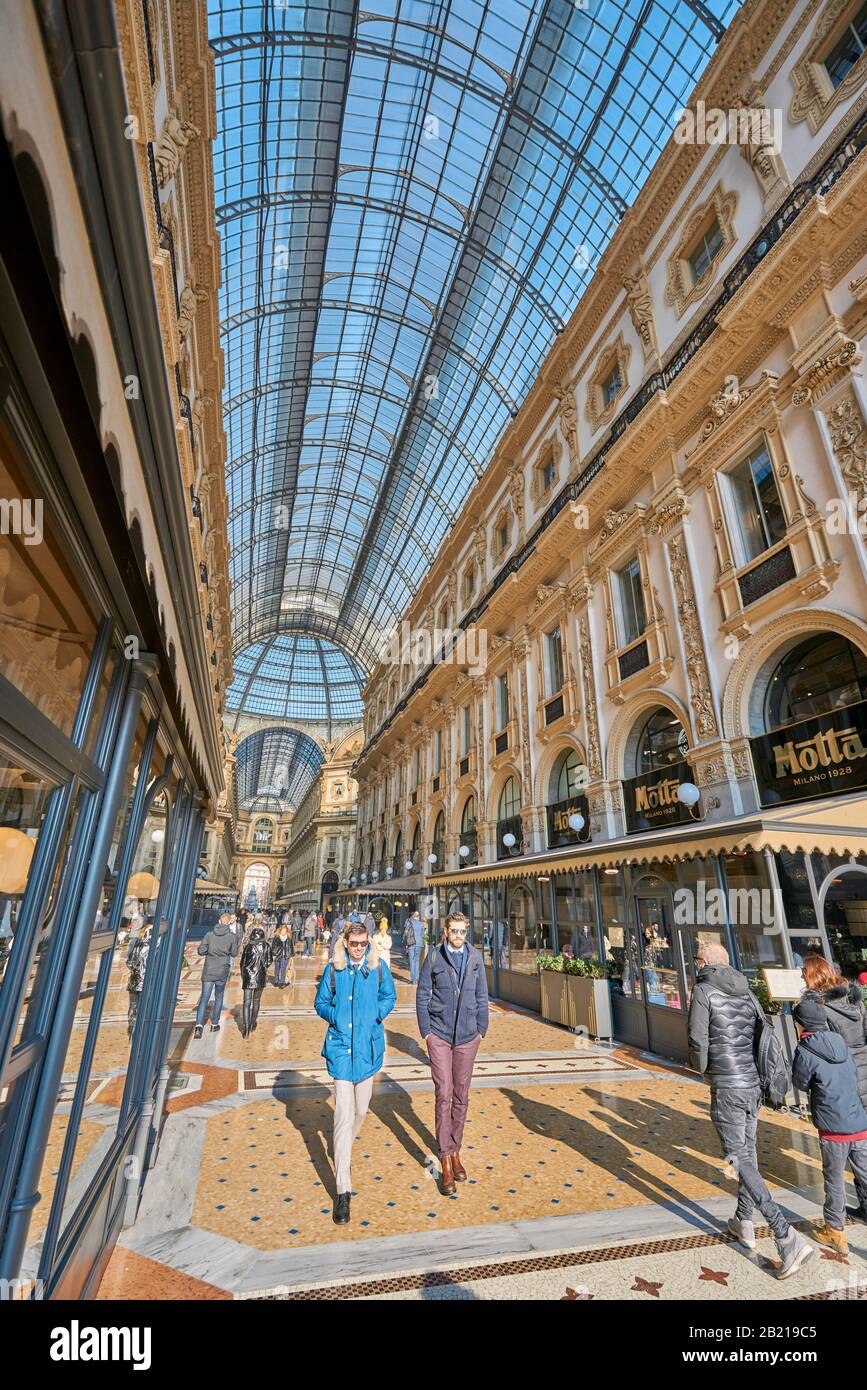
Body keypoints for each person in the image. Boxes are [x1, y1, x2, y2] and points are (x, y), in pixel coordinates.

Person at [687, 941, 813, 1278]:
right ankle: (744, 1221)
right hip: (752, 1083)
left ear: (707, 962)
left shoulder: (703, 989)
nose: (695, 963)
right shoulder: (745, 989)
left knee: (737, 1157)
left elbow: (698, 1039)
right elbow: (761, 1034)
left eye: (697, 958)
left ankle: (785, 1235)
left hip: (727, 1085)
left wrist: (700, 1068)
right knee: (747, 1155)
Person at [314, 920, 396, 1225]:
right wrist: (335, 1015)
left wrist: (377, 1013)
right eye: (354, 943)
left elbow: (389, 996)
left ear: (368, 944)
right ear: (345, 943)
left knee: (361, 1110)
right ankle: (343, 1189)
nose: (359, 948)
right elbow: (320, 1002)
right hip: (340, 1051)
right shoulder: (334, 970)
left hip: (368, 1052)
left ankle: (344, 1148)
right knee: (343, 1115)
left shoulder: (377, 969)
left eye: (363, 943)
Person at [416, 911, 488, 1196]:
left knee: (461, 1095)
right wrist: (426, 1032)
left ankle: (456, 1149)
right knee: (443, 1092)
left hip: (469, 1036)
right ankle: (445, 1158)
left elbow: (482, 995)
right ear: (445, 931)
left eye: (462, 931)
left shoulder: (475, 957)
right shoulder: (434, 957)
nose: (458, 936)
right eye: (454, 931)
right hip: (440, 1034)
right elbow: (422, 994)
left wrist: (482, 1028)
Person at [792, 995, 867, 1253]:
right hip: (858, 1121)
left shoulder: (805, 1049)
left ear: (800, 1024)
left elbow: (800, 1083)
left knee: (834, 1179)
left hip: (833, 1127)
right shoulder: (839, 1041)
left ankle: (835, 1231)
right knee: (866, 1175)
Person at [801, 954, 867, 1109]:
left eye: (804, 972)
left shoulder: (819, 1009)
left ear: (812, 975)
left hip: (844, 1074)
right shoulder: (854, 1001)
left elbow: (825, 1051)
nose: (801, 976)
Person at [194, 912, 240, 1038]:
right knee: (219, 996)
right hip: (222, 970)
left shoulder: (209, 934)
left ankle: (198, 1026)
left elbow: (201, 950)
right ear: (229, 922)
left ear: (219, 921)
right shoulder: (232, 936)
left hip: (209, 970)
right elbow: (234, 953)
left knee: (204, 998)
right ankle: (214, 1023)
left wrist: (211, 950)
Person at [239, 927, 272, 1038]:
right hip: (260, 977)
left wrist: (244, 974)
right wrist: (263, 969)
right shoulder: (266, 946)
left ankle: (246, 1028)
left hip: (248, 977)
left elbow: (242, 962)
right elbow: (269, 960)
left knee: (246, 1003)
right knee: (256, 1001)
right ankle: (253, 1023)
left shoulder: (248, 946)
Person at [126, 925, 152, 1038]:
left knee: (133, 1005)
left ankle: (132, 1025)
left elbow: (129, 963)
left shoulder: (137, 946)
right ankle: (140, 1031)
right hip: (146, 983)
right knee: (144, 1007)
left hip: (134, 982)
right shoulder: (155, 947)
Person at [403, 909, 424, 984]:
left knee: (412, 961)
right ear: (418, 916)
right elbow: (422, 935)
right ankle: (417, 978)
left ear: (413, 915)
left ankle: (413, 979)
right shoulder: (421, 924)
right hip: (419, 944)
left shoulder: (409, 922)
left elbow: (405, 932)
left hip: (411, 943)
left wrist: (405, 944)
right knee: (417, 961)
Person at [271, 922, 293, 988]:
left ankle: (282, 982)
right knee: (277, 969)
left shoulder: (289, 938)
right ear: (280, 930)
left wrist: (291, 955)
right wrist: (274, 954)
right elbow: (273, 947)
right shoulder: (276, 937)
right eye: (283, 930)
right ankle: (276, 981)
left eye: (285, 930)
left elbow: (291, 947)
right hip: (278, 955)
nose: (284, 932)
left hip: (286, 955)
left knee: (283, 969)